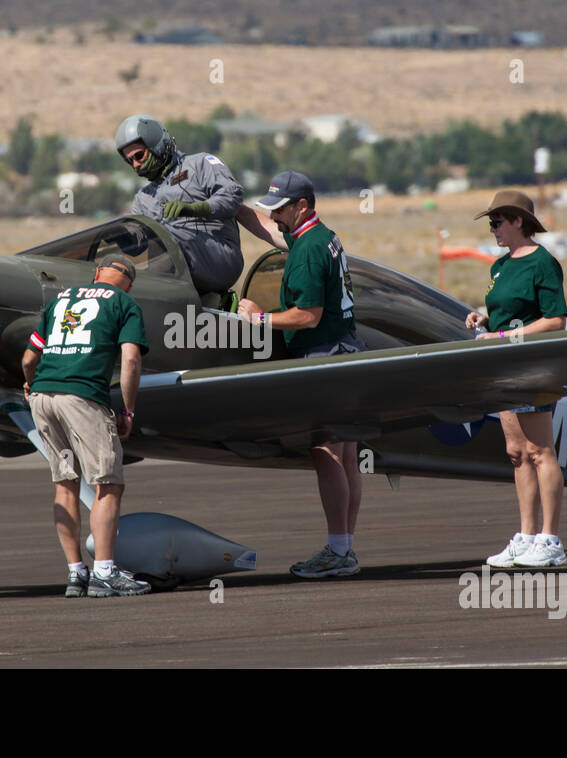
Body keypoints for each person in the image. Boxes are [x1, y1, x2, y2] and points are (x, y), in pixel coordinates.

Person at [236, 170, 366, 578]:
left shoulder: (308, 250)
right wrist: (232, 207)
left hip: (323, 354)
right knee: (345, 455)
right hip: (346, 351)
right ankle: (344, 548)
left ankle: (338, 551)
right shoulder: (320, 236)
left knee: (325, 452)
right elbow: (272, 233)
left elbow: (308, 317)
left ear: (303, 206)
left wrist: (258, 319)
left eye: (280, 209)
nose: (274, 216)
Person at [21, 253, 152, 597]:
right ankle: (105, 572)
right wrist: (128, 410)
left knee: (65, 483)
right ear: (129, 284)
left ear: (97, 274)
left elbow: (29, 358)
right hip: (82, 399)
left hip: (43, 399)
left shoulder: (61, 299)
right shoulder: (125, 303)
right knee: (107, 484)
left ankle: (76, 573)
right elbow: (131, 360)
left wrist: (30, 383)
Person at [464, 190, 567, 568]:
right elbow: (506, 315)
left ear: (519, 222)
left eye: (497, 222)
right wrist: (485, 321)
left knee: (541, 452)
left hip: (533, 366)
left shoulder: (543, 263)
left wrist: (508, 336)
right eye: (492, 223)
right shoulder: (499, 266)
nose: (493, 229)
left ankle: (550, 539)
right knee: (517, 454)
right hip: (504, 367)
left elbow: (556, 320)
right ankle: (525, 537)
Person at [115, 114, 248, 295]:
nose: (136, 164)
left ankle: (157, 295)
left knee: (164, 238)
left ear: (156, 143)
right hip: (177, 267)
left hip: (220, 257)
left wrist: (193, 209)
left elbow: (233, 195)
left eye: (139, 155)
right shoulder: (142, 198)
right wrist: (123, 236)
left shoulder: (200, 163)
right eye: (130, 161)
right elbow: (140, 245)